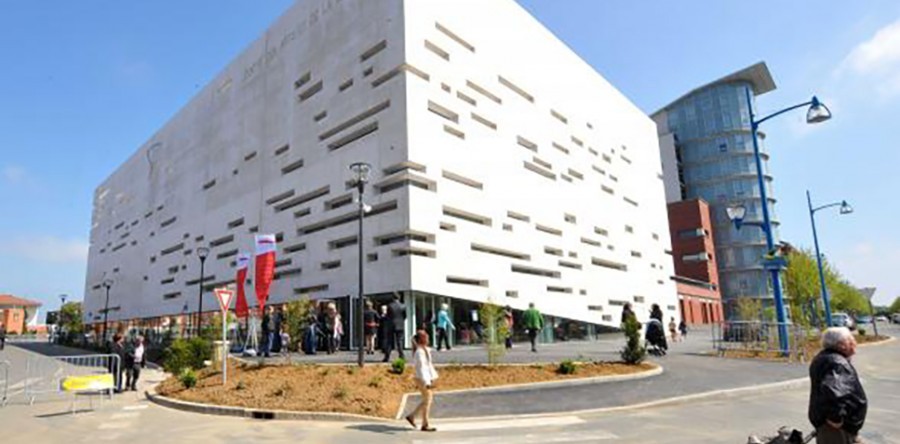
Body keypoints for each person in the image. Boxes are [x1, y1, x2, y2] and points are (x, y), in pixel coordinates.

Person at [808, 327, 867, 443]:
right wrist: (835, 419)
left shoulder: (825, 357)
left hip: (832, 426)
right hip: (837, 430)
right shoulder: (838, 363)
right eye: (851, 340)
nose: (855, 343)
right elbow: (833, 391)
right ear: (842, 345)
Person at [405, 330, 438, 432]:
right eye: (426, 337)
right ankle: (425, 424)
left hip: (424, 378)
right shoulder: (419, 352)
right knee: (428, 400)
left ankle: (412, 416)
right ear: (422, 339)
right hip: (421, 379)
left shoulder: (425, 350)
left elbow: (428, 366)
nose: (428, 338)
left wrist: (433, 377)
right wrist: (426, 382)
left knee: (427, 400)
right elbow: (421, 368)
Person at [383, 295, 407, 362]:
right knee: (400, 341)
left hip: (391, 324)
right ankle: (402, 356)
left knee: (389, 341)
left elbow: (388, 316)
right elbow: (405, 316)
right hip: (400, 325)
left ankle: (387, 357)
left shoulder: (390, 306)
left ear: (393, 298)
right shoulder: (403, 306)